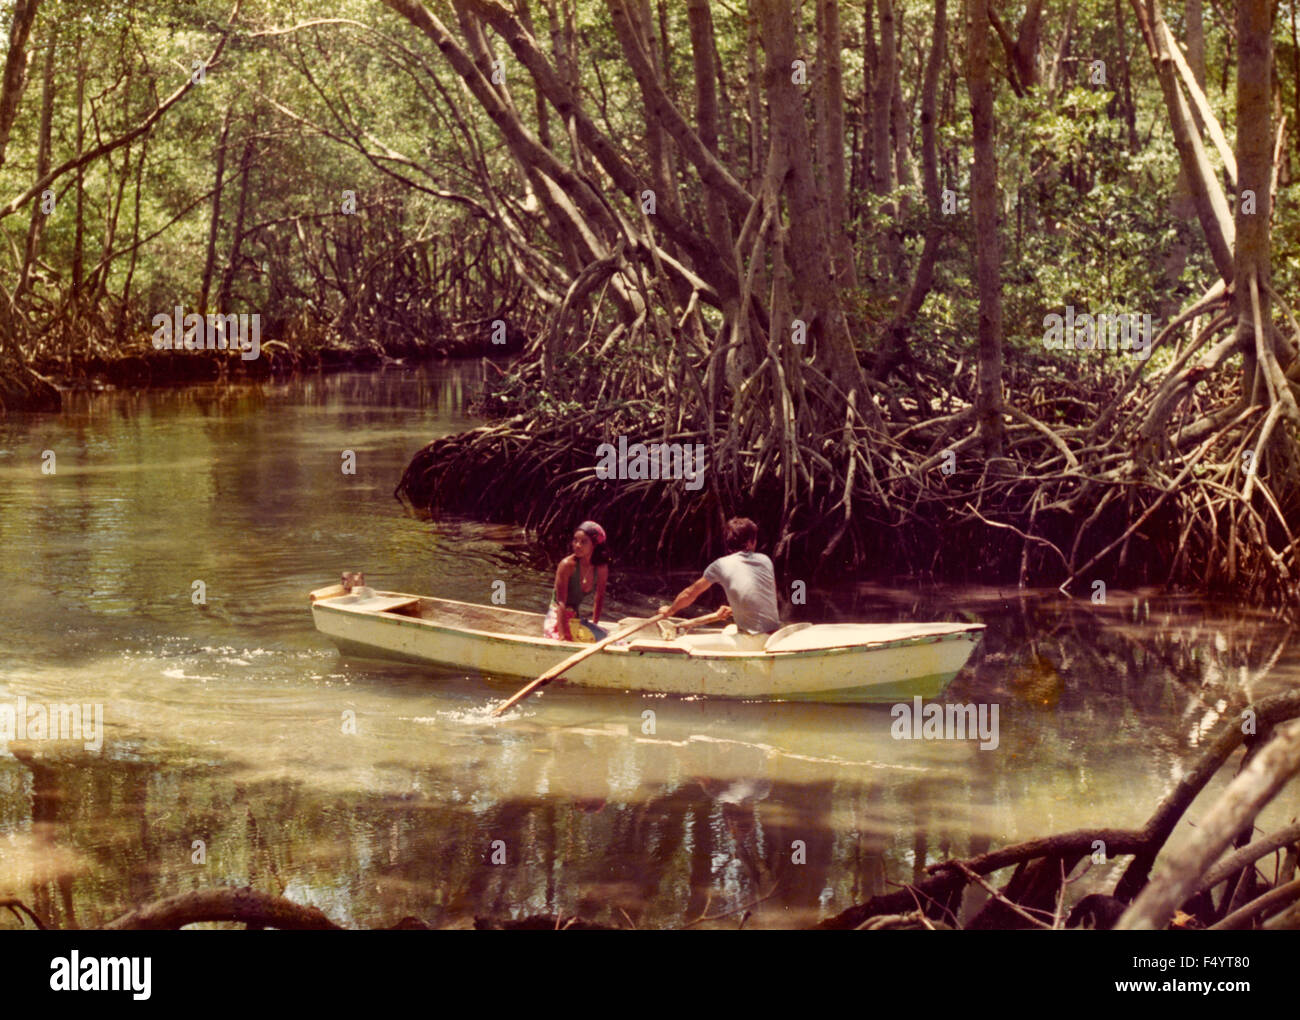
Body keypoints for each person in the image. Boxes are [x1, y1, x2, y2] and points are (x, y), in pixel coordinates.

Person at [658, 517, 781, 640]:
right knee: (729, 628)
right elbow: (765, 598)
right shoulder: (765, 560)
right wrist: (735, 609)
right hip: (775, 635)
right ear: (751, 542)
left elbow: (690, 593)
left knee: (680, 640)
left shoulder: (720, 565)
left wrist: (670, 610)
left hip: (753, 639)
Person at [543, 520, 609, 642]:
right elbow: (561, 602)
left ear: (594, 545)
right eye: (575, 540)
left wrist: (595, 624)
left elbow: (599, 596)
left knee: (607, 639)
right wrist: (563, 637)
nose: (577, 545)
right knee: (567, 639)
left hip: (574, 617)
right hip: (557, 617)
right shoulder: (567, 565)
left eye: (584, 542)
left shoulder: (601, 568)